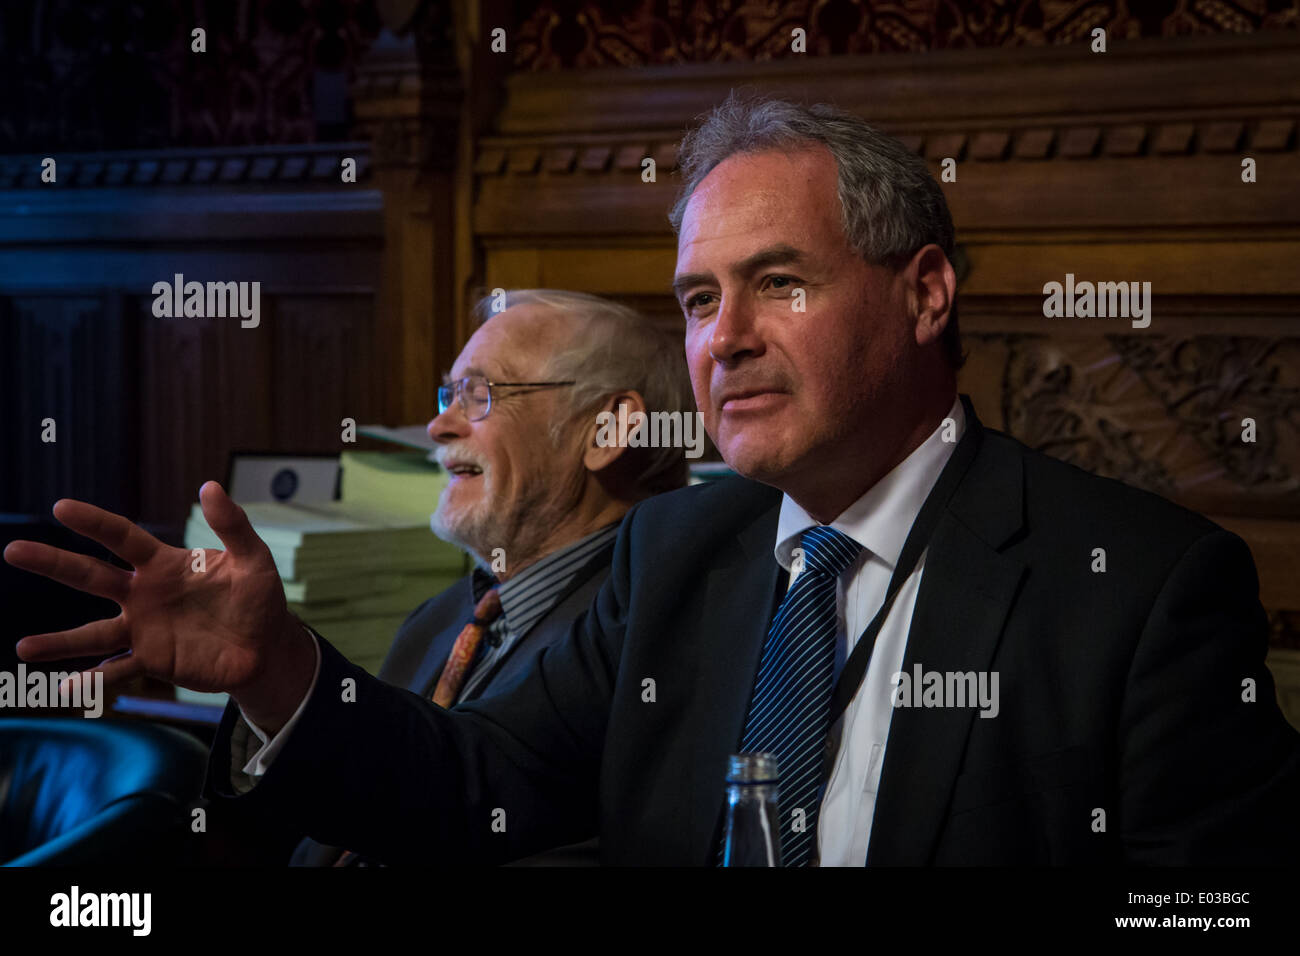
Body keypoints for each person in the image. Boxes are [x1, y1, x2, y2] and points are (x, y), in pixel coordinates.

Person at [8, 94, 1298, 866]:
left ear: (923, 293)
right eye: (696, 297)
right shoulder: (676, 550)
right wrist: (281, 663)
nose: (720, 336)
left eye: (776, 281)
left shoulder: (1139, 587)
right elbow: (477, 790)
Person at [289, 289, 693, 866]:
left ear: (607, 429)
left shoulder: (646, 634)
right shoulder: (442, 618)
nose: (438, 425)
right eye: (448, 394)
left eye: (479, 394)